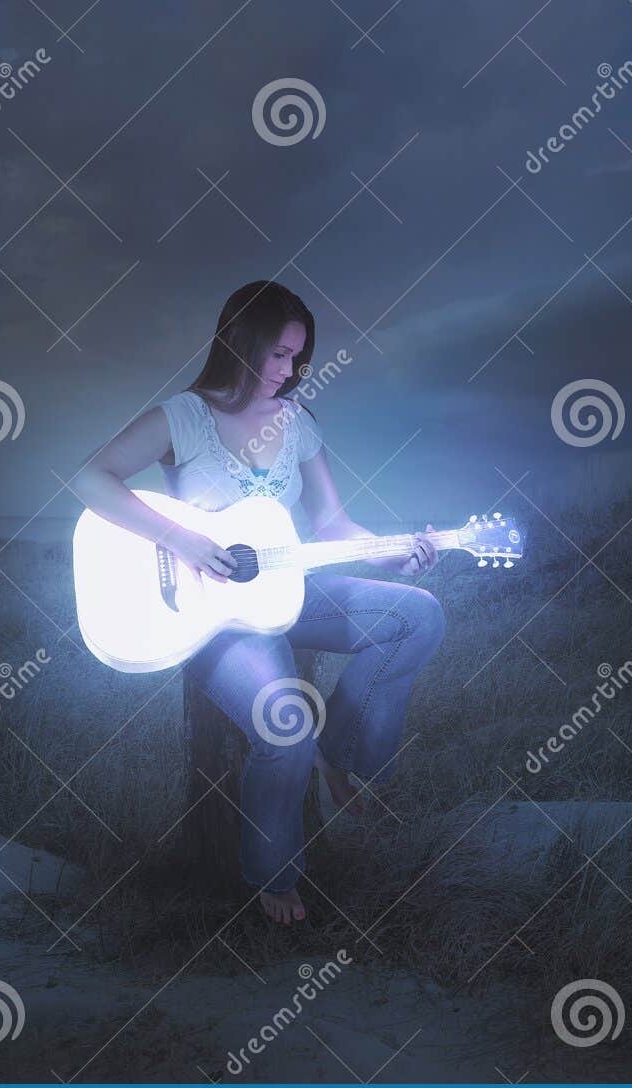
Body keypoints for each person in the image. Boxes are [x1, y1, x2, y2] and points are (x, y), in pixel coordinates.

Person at [73, 280, 446, 925]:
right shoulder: (184, 417)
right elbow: (89, 478)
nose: (290, 370)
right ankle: (274, 876)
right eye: (278, 353)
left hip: (288, 588)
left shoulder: (298, 424)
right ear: (239, 342)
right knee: (285, 724)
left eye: (298, 357)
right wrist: (181, 539)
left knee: (418, 615)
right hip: (213, 615)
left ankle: (343, 755)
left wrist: (392, 553)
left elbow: (331, 525)